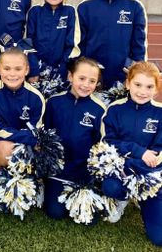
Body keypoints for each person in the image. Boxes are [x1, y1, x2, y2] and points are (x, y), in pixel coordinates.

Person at [101, 61, 162, 246]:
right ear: (128, 84)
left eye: (149, 86)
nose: (142, 91)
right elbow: (109, 143)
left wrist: (145, 169)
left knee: (158, 238)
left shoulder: (160, 113)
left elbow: (158, 152)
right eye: (137, 84)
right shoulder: (114, 109)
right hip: (122, 170)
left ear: (157, 89)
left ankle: (142, 198)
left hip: (149, 176)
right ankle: (123, 198)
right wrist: (139, 152)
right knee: (110, 187)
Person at [43, 57, 105, 221]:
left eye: (92, 81)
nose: (86, 85)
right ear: (70, 76)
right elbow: (45, 135)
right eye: (81, 78)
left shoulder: (99, 109)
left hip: (83, 174)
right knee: (55, 213)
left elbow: (101, 145)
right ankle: (49, 187)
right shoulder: (54, 102)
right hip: (58, 171)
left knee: (90, 219)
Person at [77, 0, 147, 89]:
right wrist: (82, 70)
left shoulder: (135, 6)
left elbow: (139, 45)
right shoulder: (85, 6)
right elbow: (79, 45)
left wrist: (137, 71)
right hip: (91, 78)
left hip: (122, 78)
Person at [0, 46, 45, 172]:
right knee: (6, 148)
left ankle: (24, 181)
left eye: (18, 69)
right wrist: (23, 137)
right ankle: (0, 183)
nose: (12, 74)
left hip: (26, 140)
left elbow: (35, 130)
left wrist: (27, 140)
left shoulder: (36, 97)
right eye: (6, 68)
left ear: (26, 70)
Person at [26, 0, 80, 84]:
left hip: (61, 72)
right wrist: (33, 70)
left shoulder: (70, 12)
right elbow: (28, 42)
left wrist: (63, 68)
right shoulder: (35, 12)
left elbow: (72, 44)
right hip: (36, 73)